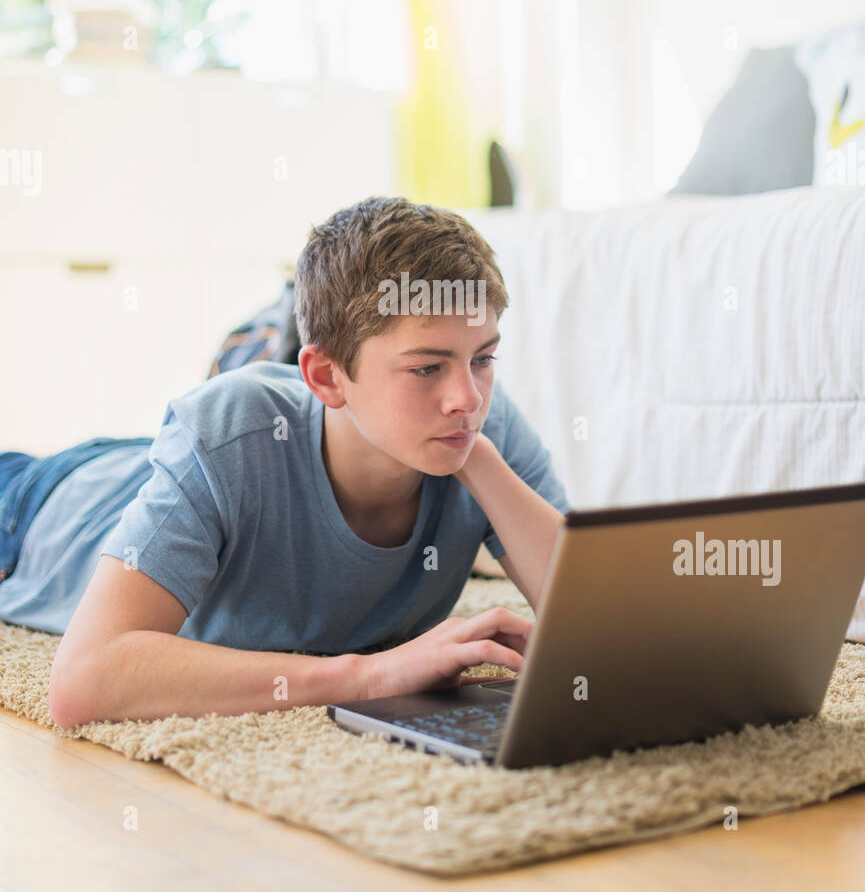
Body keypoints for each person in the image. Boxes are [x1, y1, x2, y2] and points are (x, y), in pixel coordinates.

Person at [0, 196, 572, 729]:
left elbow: (595, 617)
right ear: (326, 376)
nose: (467, 398)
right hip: (34, 507)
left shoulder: (476, 426)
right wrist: (369, 674)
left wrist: (481, 463)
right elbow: (84, 680)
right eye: (427, 368)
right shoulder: (230, 430)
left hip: (140, 464)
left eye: (484, 357)